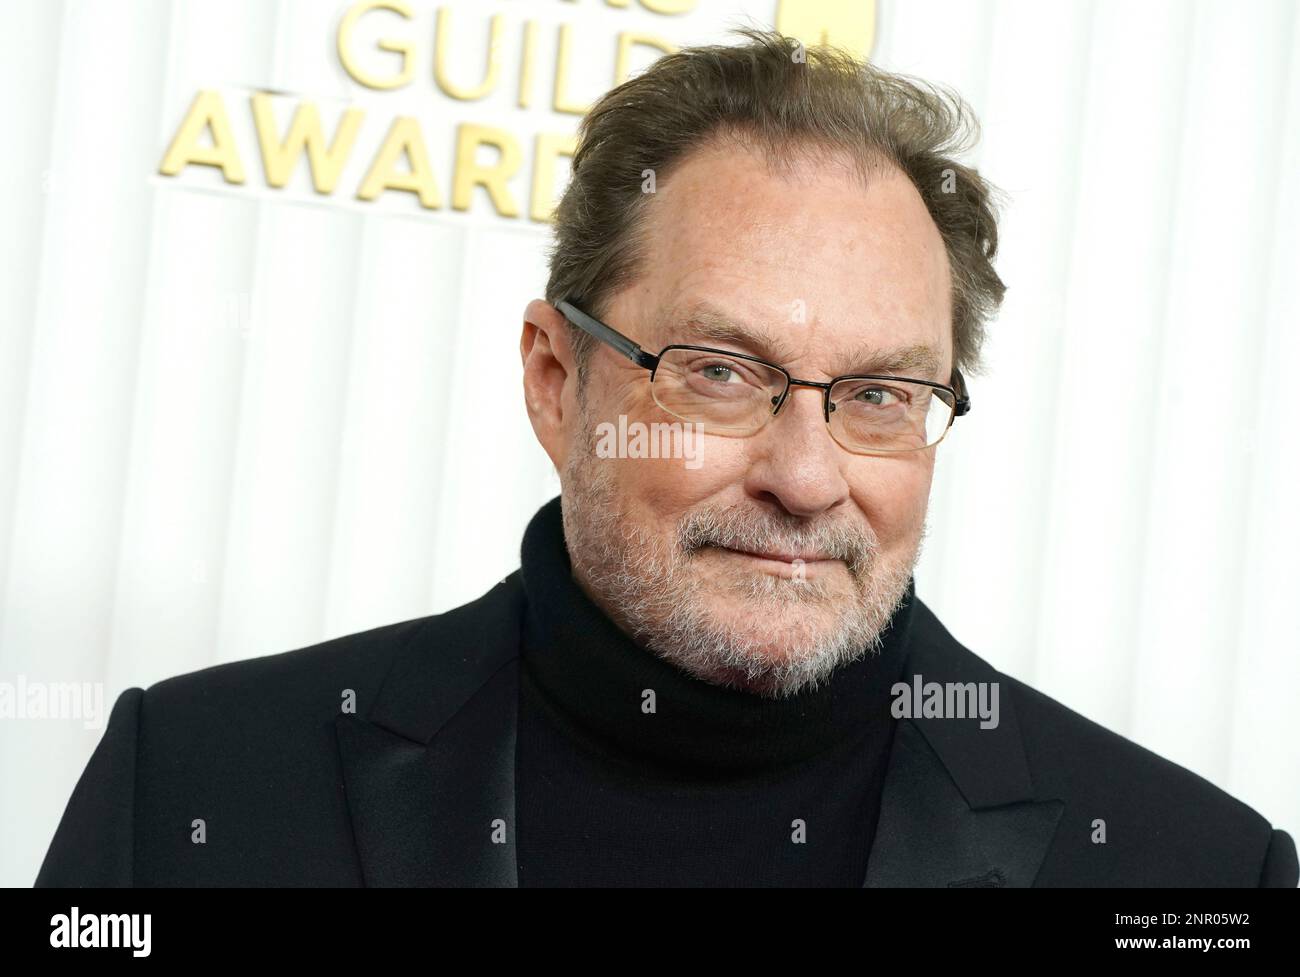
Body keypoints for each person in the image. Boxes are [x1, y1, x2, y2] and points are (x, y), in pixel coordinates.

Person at [36, 29, 1296, 888]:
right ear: (553, 377)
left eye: (877, 393)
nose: (805, 479)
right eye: (720, 372)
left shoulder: (1181, 869)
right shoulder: (197, 786)